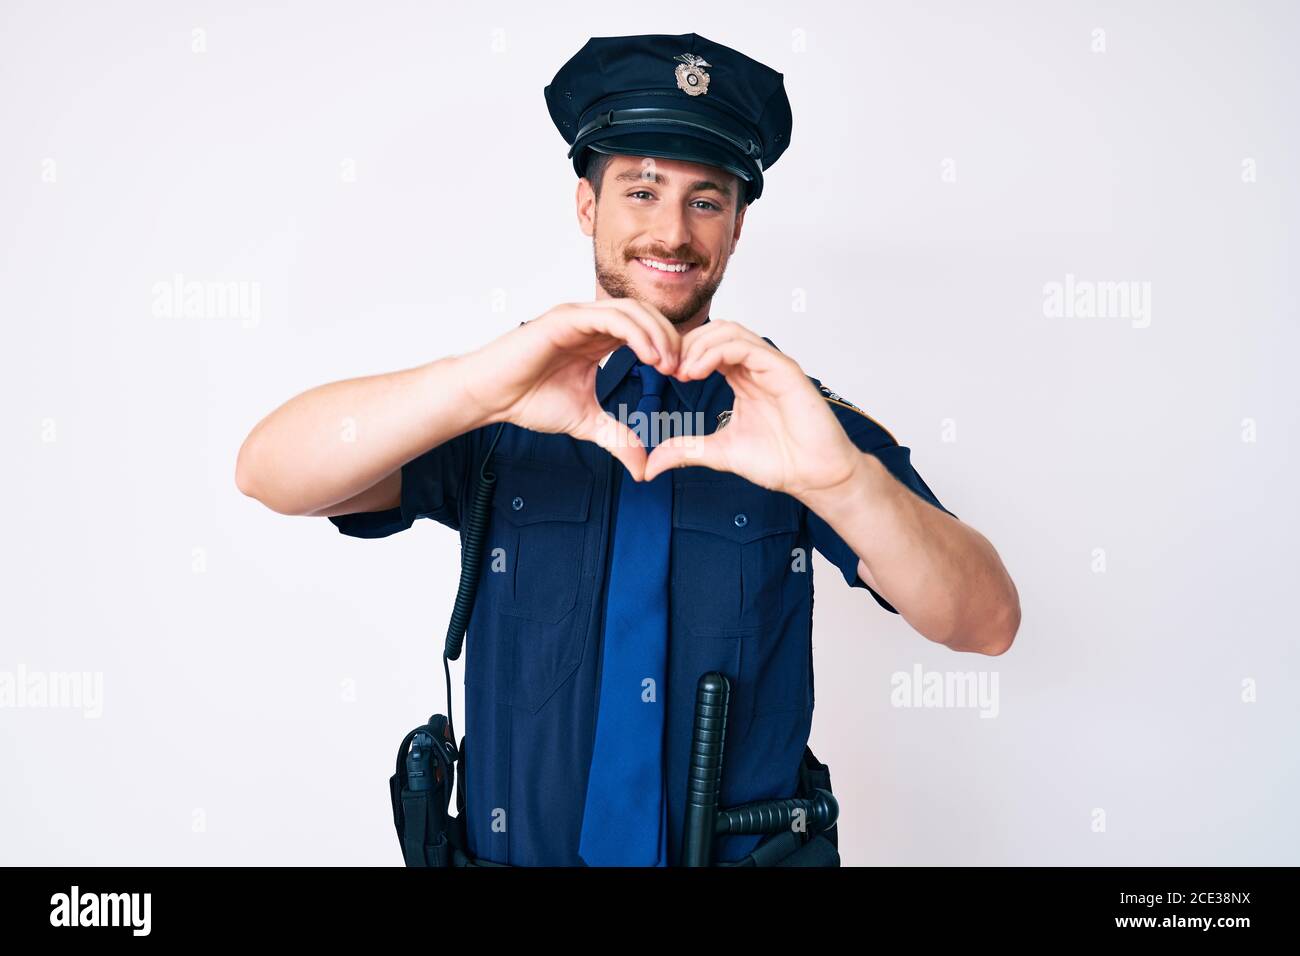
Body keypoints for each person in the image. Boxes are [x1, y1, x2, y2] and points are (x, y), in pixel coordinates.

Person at [235, 32, 1021, 867]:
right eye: (641, 191)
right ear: (588, 207)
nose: (672, 232)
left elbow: (987, 622)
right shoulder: (501, 401)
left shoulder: (796, 420)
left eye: (705, 201)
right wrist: (475, 390)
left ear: (737, 226)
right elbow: (269, 473)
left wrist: (842, 483)